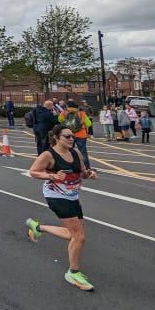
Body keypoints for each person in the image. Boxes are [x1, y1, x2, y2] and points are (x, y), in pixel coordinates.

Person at [25, 124, 98, 291]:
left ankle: (38, 227)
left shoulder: (75, 152)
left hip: (73, 196)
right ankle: (73, 273)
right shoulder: (48, 155)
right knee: (79, 237)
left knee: (73, 235)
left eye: (72, 136)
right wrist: (52, 175)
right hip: (55, 196)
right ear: (57, 138)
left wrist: (90, 174)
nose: (72, 139)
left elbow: (82, 173)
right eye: (67, 136)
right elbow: (33, 172)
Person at [58, 100, 92, 170]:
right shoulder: (81, 113)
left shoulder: (63, 113)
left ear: (67, 106)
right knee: (82, 151)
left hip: (68, 135)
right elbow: (89, 123)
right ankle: (86, 167)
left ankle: (69, 166)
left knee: (68, 150)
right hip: (81, 134)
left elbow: (59, 120)